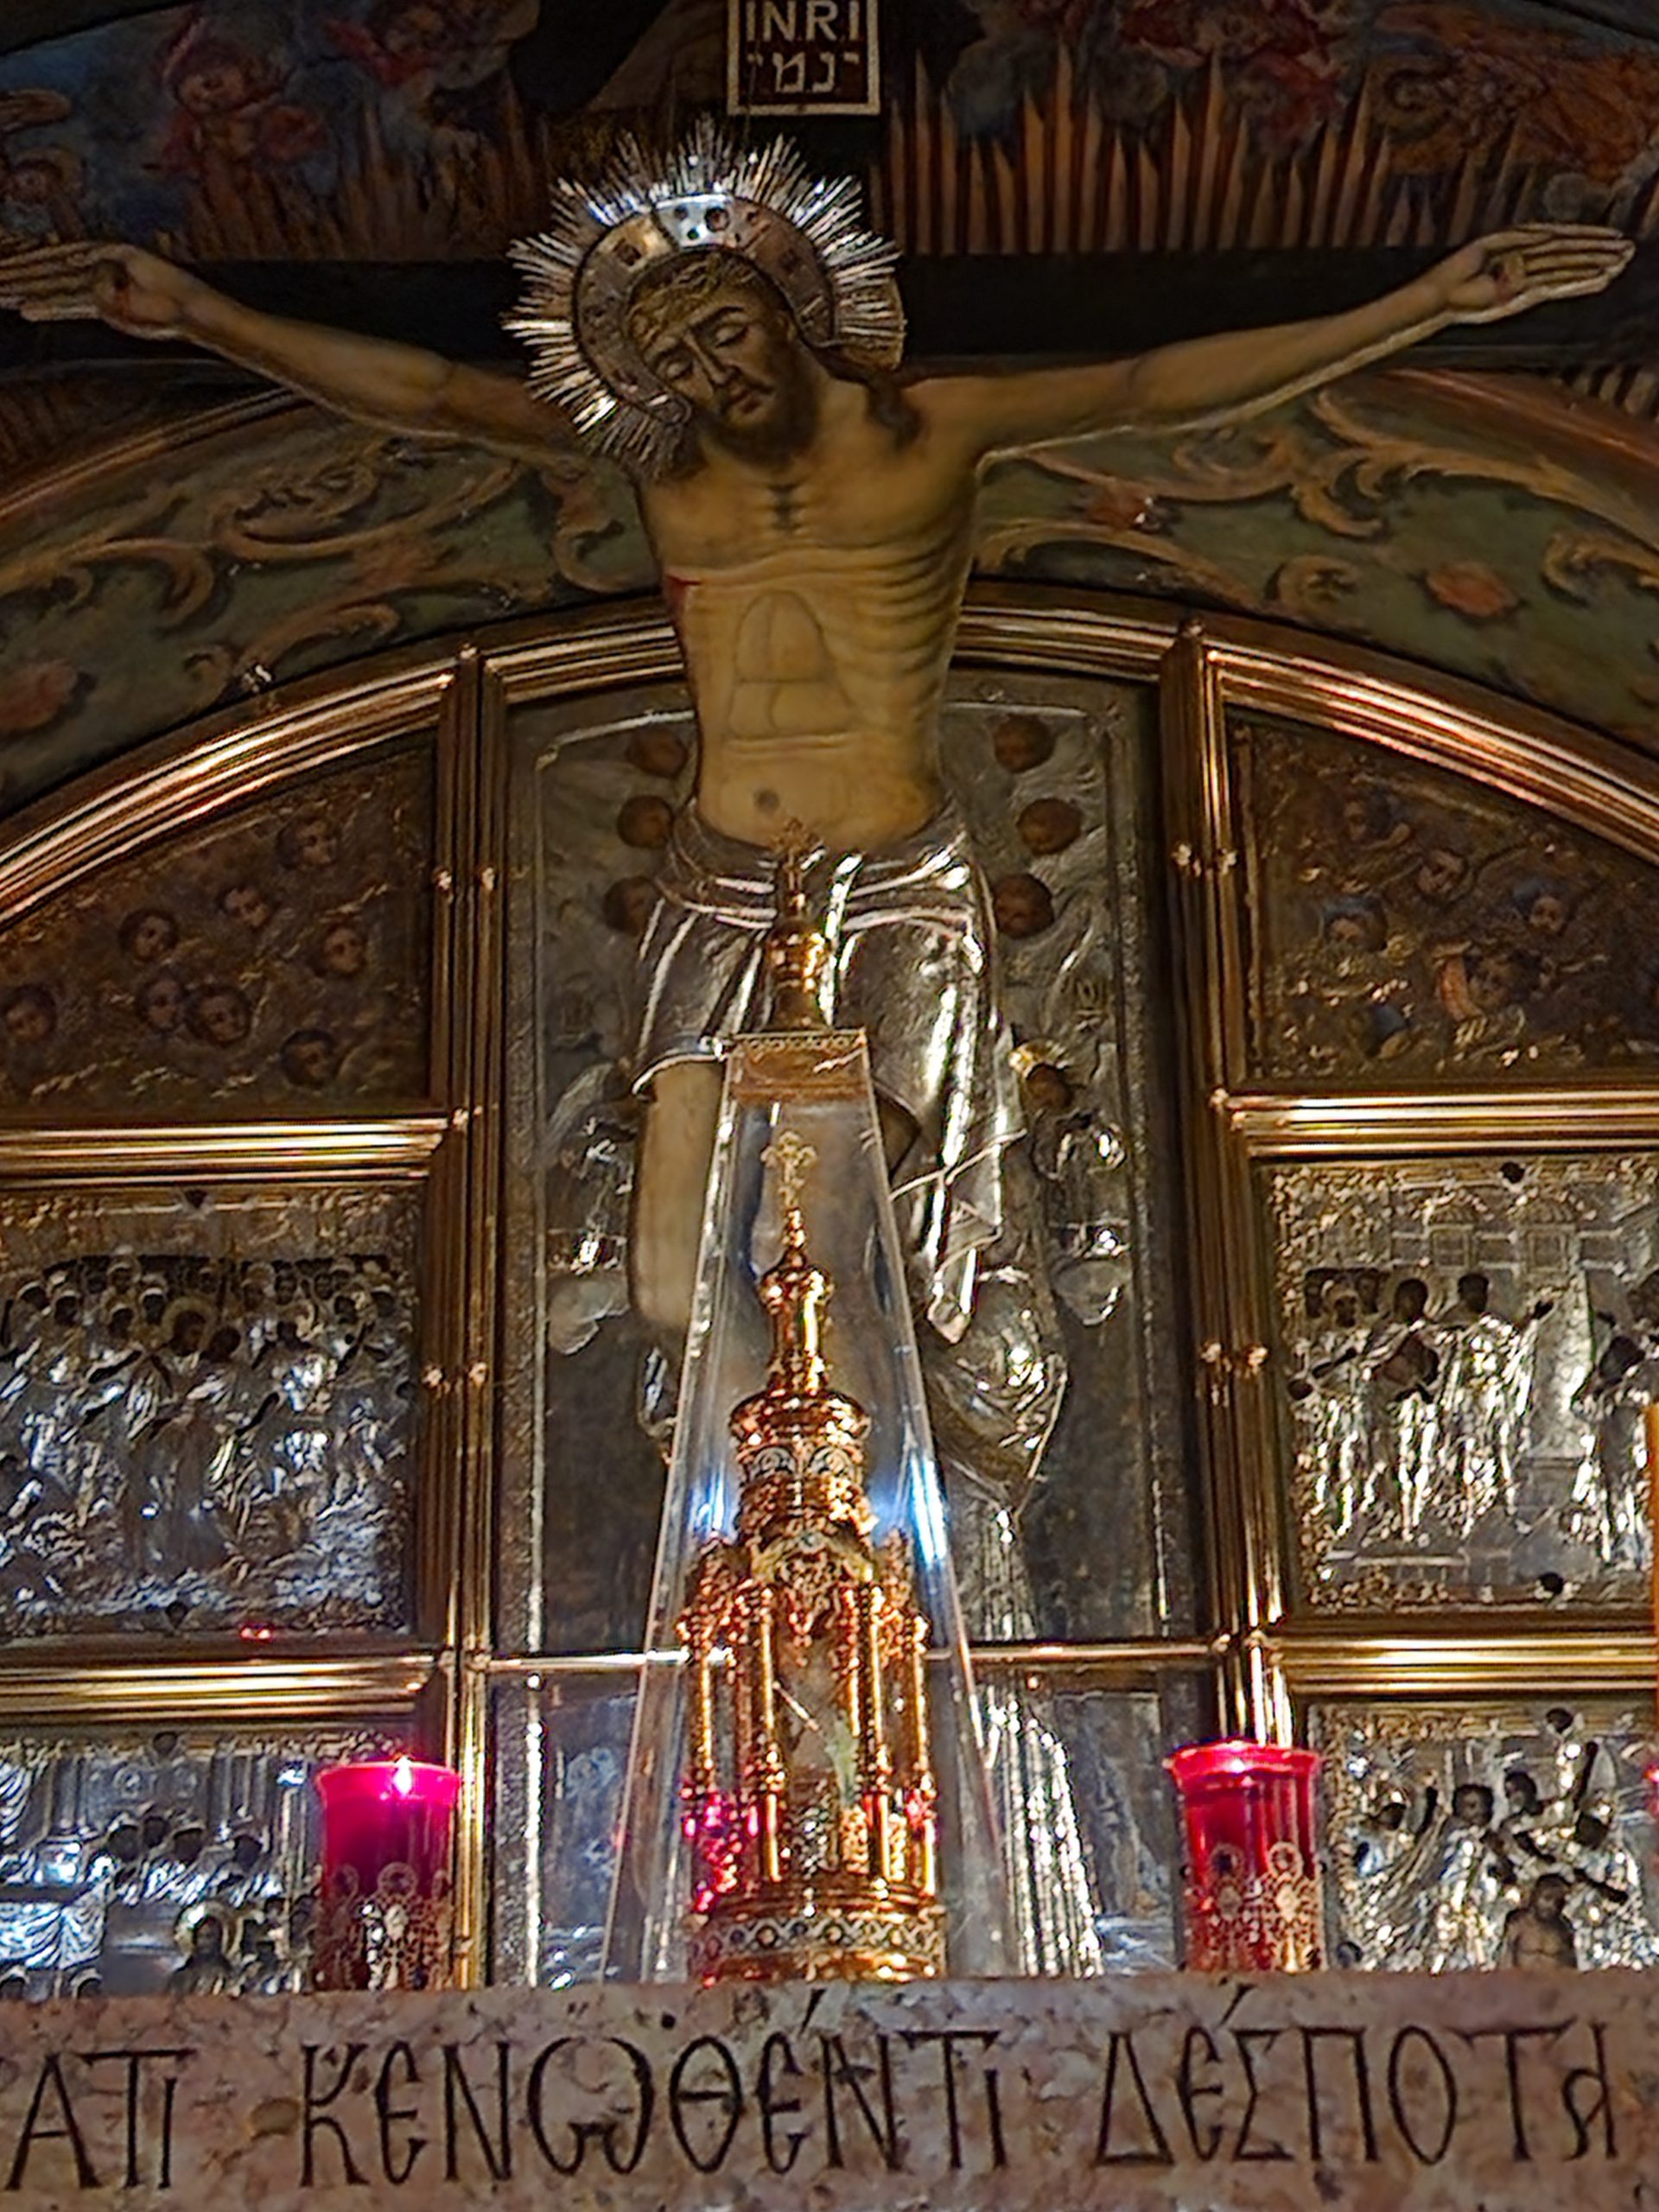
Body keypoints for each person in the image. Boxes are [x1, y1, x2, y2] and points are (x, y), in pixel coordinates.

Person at [0, 130, 1627, 1973]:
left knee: (913, 1262)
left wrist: (1427, 302)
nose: (709, 373)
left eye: (727, 331)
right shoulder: (662, 469)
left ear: (795, 313)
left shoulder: (927, 435)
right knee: (664, 1271)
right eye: (673, 356)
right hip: (717, 879)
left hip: (902, 886)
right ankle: (749, 1634)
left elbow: (1157, 381)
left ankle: (914, 1644)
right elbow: (435, 398)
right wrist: (192, 310)